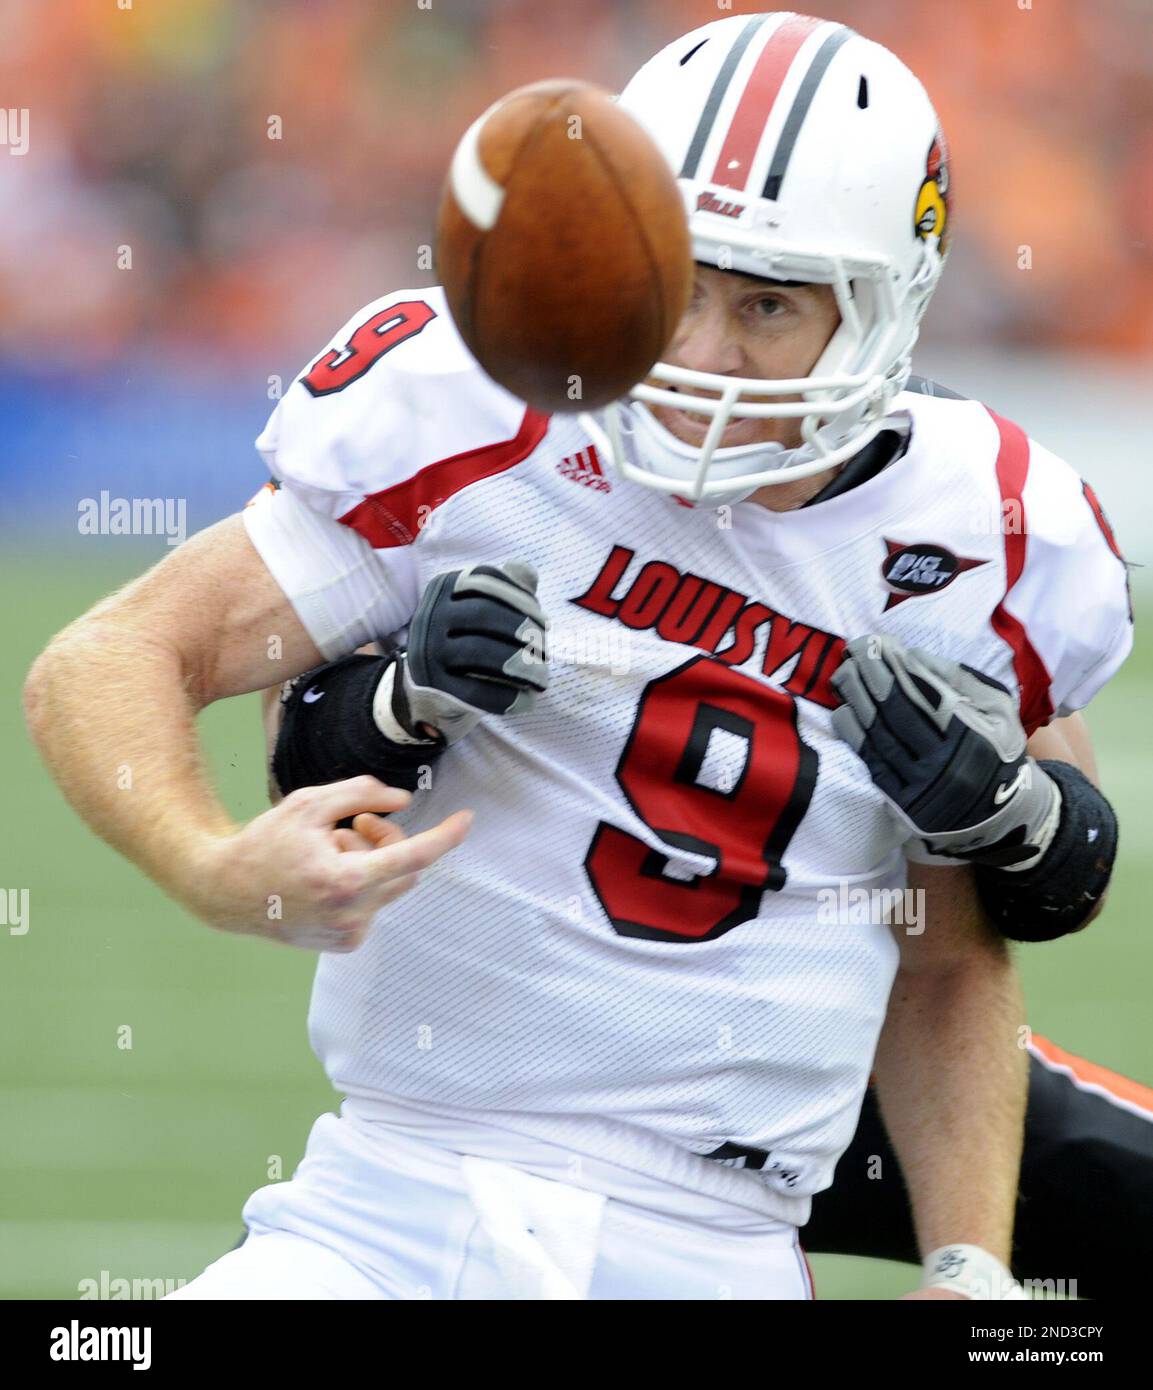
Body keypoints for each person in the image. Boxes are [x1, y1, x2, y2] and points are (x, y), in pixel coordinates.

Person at [24, 12, 1132, 1300]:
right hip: (385, 1203)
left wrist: (967, 1265)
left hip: (715, 1247)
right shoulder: (479, 410)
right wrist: (208, 862)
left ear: (885, 308)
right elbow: (111, 657)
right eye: (683, 281)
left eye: (768, 303)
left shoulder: (984, 532)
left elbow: (951, 959)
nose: (702, 353)